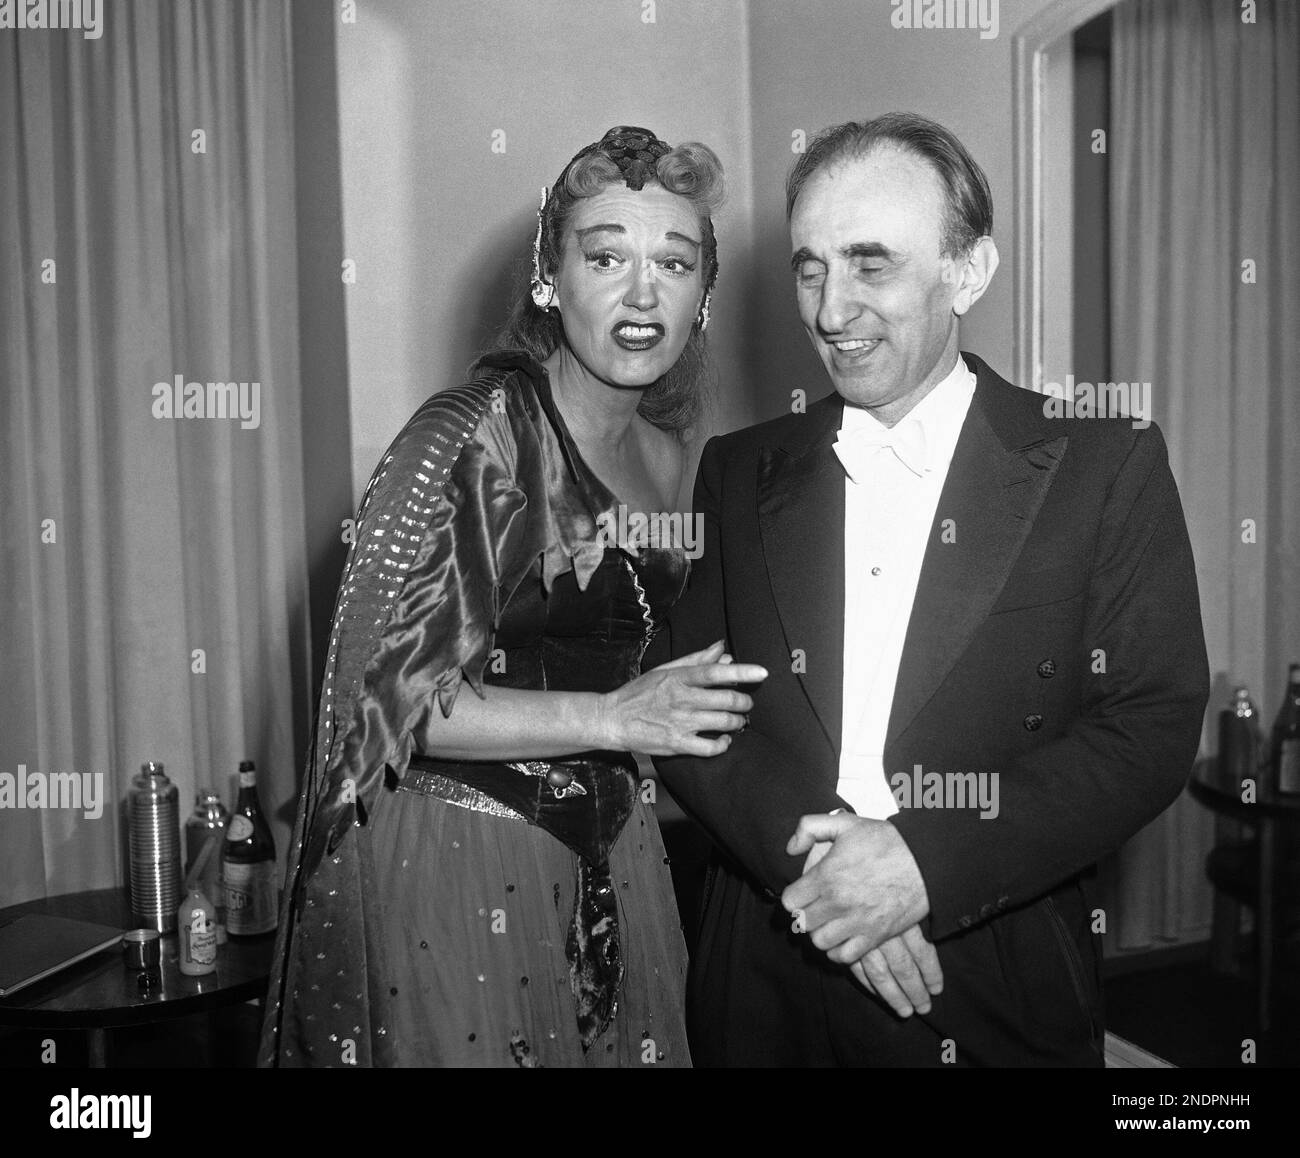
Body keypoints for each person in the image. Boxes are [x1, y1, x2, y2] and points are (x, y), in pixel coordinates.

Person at [652, 112, 1209, 1066]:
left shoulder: (1103, 462)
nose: (831, 311)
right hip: (764, 975)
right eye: (810, 267)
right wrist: (834, 885)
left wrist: (921, 866)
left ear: (968, 271)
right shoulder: (738, 471)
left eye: (872, 265)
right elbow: (692, 716)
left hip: (989, 971)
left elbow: (1150, 723)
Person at [259, 126, 764, 1068]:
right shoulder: (472, 435)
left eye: (675, 263)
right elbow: (385, 703)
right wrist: (615, 717)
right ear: (548, 277)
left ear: (703, 296)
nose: (642, 293)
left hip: (621, 857)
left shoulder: (676, 461)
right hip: (460, 855)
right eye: (606, 256)